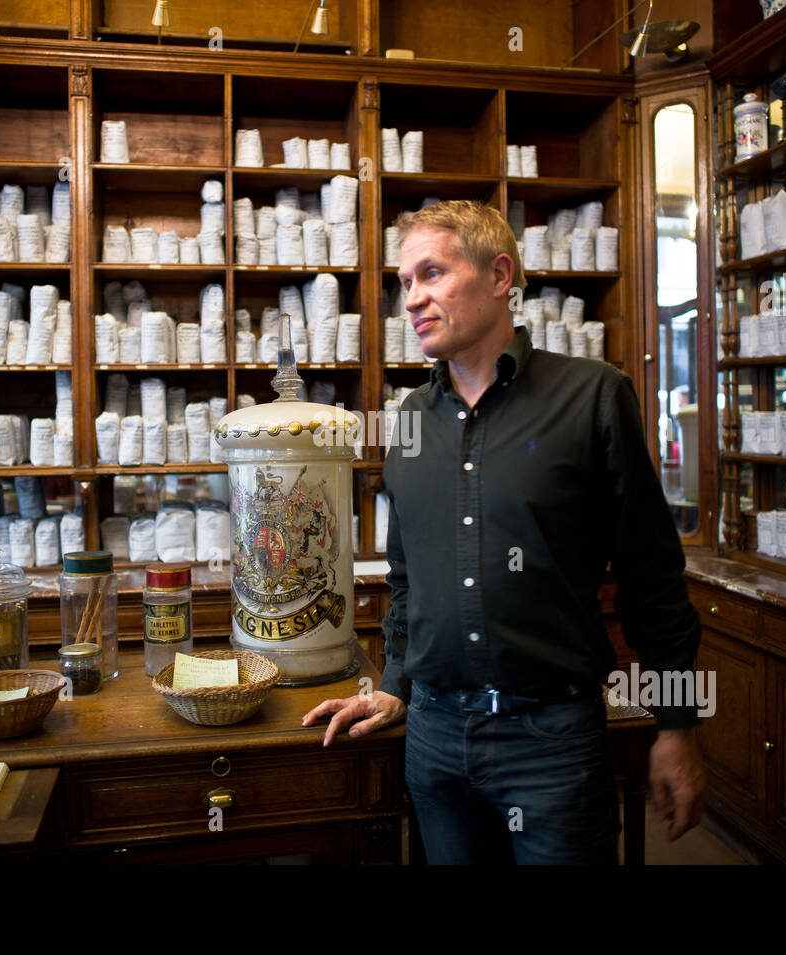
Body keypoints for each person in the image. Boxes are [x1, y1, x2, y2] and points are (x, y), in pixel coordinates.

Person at [301, 200, 705, 864]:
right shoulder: (408, 419)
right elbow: (408, 582)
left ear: (498, 276)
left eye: (431, 272)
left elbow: (652, 576)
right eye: (405, 282)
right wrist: (395, 685)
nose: (413, 299)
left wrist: (679, 724)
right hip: (433, 740)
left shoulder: (595, 396)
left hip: (551, 741)